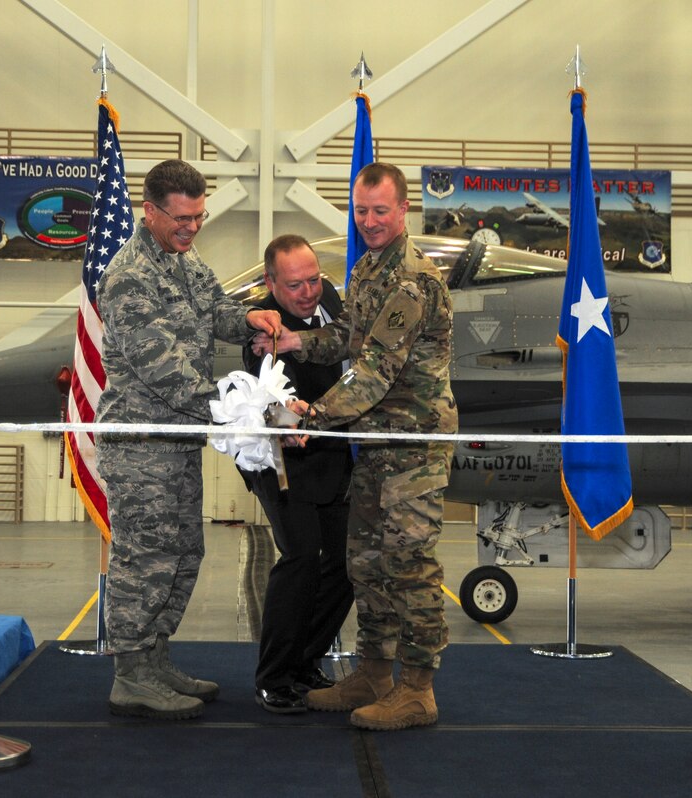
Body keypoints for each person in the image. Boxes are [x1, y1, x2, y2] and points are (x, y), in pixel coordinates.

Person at [253, 162, 458, 731]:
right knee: (366, 563)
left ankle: (417, 689)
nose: (368, 221)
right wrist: (300, 339)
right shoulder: (370, 269)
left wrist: (313, 416)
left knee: (411, 568)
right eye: (360, 210)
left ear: (403, 210)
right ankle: (373, 673)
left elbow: (374, 371)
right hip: (376, 444)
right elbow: (349, 338)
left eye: (380, 211)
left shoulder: (414, 281)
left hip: (413, 448)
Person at [95, 159, 282, 720]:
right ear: (149, 211)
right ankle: (130, 674)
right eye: (182, 219)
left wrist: (252, 318)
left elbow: (215, 311)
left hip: (176, 442)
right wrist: (238, 413)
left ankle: (155, 658)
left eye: (199, 217)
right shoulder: (130, 276)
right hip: (140, 443)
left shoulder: (183, 258)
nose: (192, 228)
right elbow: (165, 370)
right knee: (144, 557)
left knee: (182, 552)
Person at [240, 234, 355, 714]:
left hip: (331, 456)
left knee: (347, 566)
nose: (308, 292)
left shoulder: (331, 298)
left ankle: (307, 658)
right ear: (271, 283)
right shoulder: (263, 330)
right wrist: (288, 418)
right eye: (294, 285)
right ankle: (274, 675)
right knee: (303, 557)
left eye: (314, 279)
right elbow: (266, 400)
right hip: (281, 459)